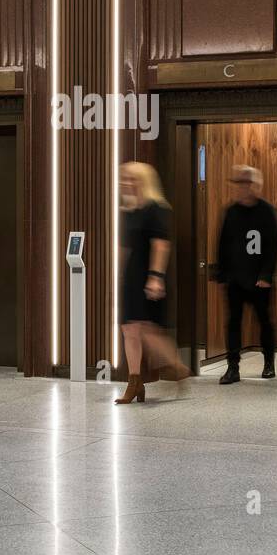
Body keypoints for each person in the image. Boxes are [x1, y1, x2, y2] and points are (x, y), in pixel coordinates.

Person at [115, 161, 191, 405]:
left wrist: (155, 277)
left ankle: (176, 365)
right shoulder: (127, 210)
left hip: (148, 275)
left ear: (144, 182)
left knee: (146, 328)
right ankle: (134, 382)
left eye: (132, 178)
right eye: (124, 178)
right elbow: (123, 247)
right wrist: (118, 276)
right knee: (129, 329)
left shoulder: (156, 208)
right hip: (130, 276)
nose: (126, 182)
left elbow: (161, 244)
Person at [213, 165, 277, 384]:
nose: (240, 188)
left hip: (260, 281)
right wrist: (222, 274)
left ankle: (269, 362)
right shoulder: (231, 212)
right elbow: (222, 244)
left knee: (264, 322)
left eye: (244, 184)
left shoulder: (266, 212)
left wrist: (266, 275)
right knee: (233, 322)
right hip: (236, 280)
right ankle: (233, 367)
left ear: (254, 186)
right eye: (237, 184)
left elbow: (273, 246)